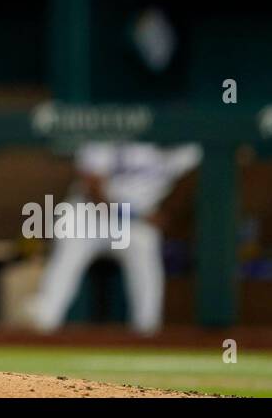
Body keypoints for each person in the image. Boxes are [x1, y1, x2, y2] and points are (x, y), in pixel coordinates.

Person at [31, 142, 202, 335]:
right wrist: (131, 214)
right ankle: (43, 323)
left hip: (136, 223)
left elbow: (196, 174)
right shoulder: (112, 131)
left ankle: (147, 332)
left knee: (147, 265)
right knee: (66, 256)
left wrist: (166, 211)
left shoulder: (183, 146)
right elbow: (92, 185)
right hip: (90, 215)